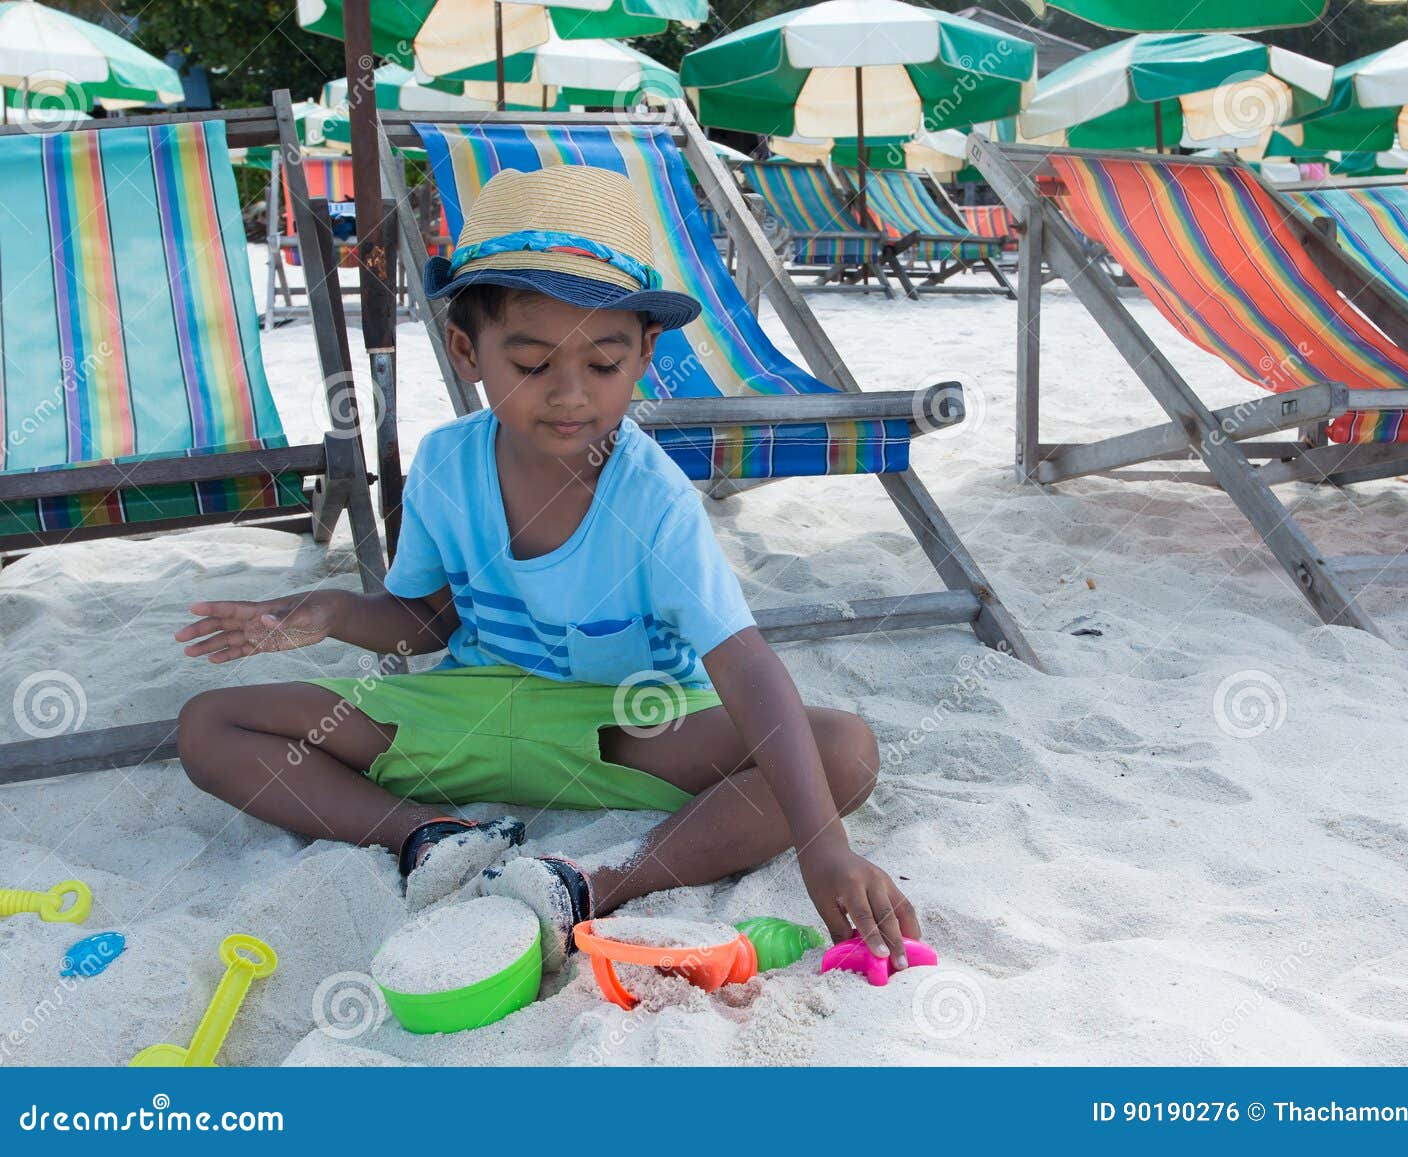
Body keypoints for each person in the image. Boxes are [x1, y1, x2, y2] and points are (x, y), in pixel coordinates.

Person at [174, 165, 919, 973]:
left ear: (645, 354)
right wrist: (330, 613)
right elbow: (425, 621)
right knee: (210, 725)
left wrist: (823, 846)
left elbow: (744, 664)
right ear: (467, 351)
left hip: (626, 730)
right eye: (533, 364)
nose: (569, 395)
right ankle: (426, 835)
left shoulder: (653, 497)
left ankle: (596, 881)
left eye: (603, 365)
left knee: (843, 750)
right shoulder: (445, 464)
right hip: (464, 711)